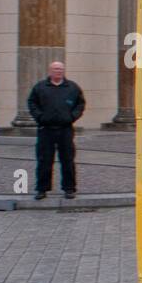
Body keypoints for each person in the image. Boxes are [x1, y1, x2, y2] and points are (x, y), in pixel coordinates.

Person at [27, 60, 85, 200]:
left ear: (63, 71)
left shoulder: (72, 87)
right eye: (55, 69)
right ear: (50, 71)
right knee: (44, 160)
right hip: (46, 130)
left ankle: (69, 189)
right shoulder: (40, 87)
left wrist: (72, 116)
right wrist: (40, 117)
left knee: (68, 160)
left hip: (65, 130)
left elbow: (80, 103)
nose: (58, 71)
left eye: (60, 69)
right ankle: (42, 189)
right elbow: (32, 103)